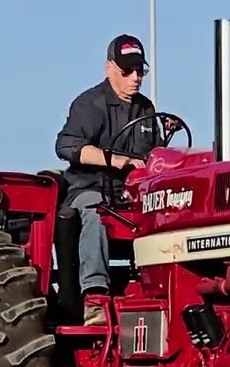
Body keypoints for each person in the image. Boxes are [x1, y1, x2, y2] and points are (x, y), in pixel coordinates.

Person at [54, 33, 161, 325]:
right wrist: (115, 160)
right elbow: (67, 146)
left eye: (141, 70)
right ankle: (95, 297)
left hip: (132, 194)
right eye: (128, 71)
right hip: (90, 188)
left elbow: (156, 153)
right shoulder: (90, 104)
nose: (136, 77)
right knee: (96, 210)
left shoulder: (146, 109)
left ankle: (162, 291)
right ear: (109, 68)